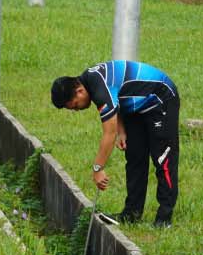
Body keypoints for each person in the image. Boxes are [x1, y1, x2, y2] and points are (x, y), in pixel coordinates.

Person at [50, 60, 181, 227]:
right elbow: (117, 96)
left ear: (79, 90)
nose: (76, 110)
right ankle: (132, 214)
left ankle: (164, 219)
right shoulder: (89, 82)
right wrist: (122, 129)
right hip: (137, 106)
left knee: (163, 159)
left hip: (161, 98)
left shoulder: (98, 88)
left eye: (75, 105)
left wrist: (98, 168)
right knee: (134, 157)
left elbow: (108, 135)